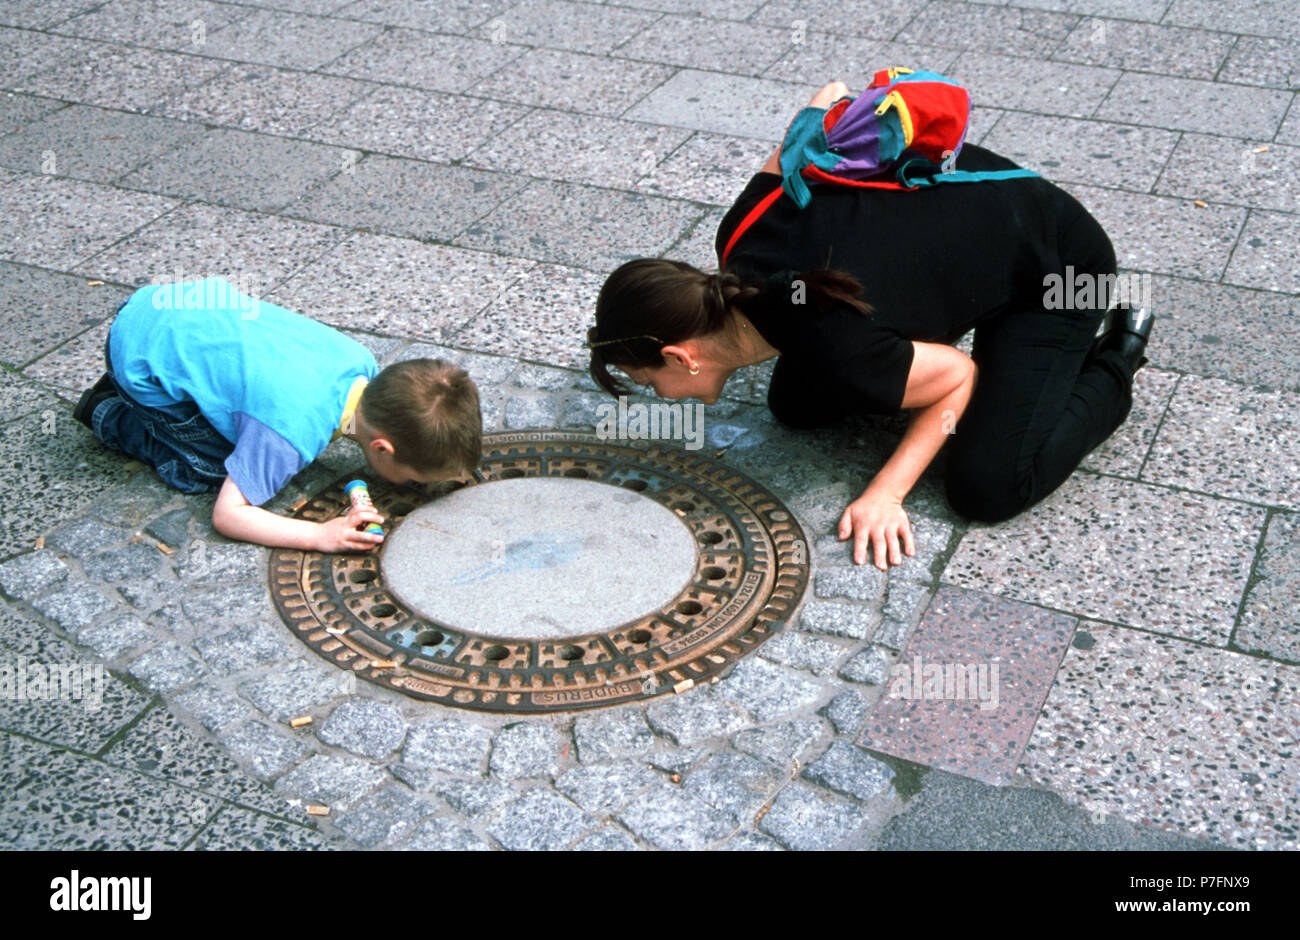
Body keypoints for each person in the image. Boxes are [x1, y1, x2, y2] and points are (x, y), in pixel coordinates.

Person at [586, 81, 1154, 572]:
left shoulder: (839, 345)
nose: (655, 393)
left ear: (683, 355)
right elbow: (829, 97)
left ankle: (1117, 356)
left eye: (648, 381)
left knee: (987, 485)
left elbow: (960, 376)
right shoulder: (738, 239)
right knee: (797, 408)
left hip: (1058, 267)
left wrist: (887, 494)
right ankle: (938, 310)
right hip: (982, 221)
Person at [74, 277, 482, 552]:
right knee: (210, 467)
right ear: (382, 448)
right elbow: (228, 516)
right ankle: (110, 412)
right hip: (136, 355)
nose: (413, 486)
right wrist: (320, 534)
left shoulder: (359, 362)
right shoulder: (289, 434)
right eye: (413, 478)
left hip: (180, 302)